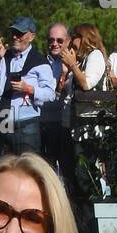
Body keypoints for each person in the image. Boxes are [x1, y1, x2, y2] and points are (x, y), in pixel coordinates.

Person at [60, 24, 114, 233]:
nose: (72, 41)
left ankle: (91, 226)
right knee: (76, 177)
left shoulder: (95, 56)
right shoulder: (83, 60)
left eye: (75, 37)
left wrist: (73, 66)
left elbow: (88, 85)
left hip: (91, 129)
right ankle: (82, 224)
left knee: (86, 176)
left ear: (85, 37)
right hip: (77, 128)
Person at [0, 16, 55, 158]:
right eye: (13, 33)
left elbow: (50, 94)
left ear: (31, 37)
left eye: (20, 33)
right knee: (4, 167)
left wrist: (29, 89)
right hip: (4, 119)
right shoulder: (3, 57)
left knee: (28, 168)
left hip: (27, 122)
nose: (15, 37)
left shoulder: (40, 61)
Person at [40, 23, 73, 184]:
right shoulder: (39, 62)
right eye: (51, 40)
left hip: (68, 124)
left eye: (59, 40)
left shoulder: (76, 63)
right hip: (44, 122)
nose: (55, 44)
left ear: (68, 41)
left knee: (69, 174)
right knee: (46, 172)